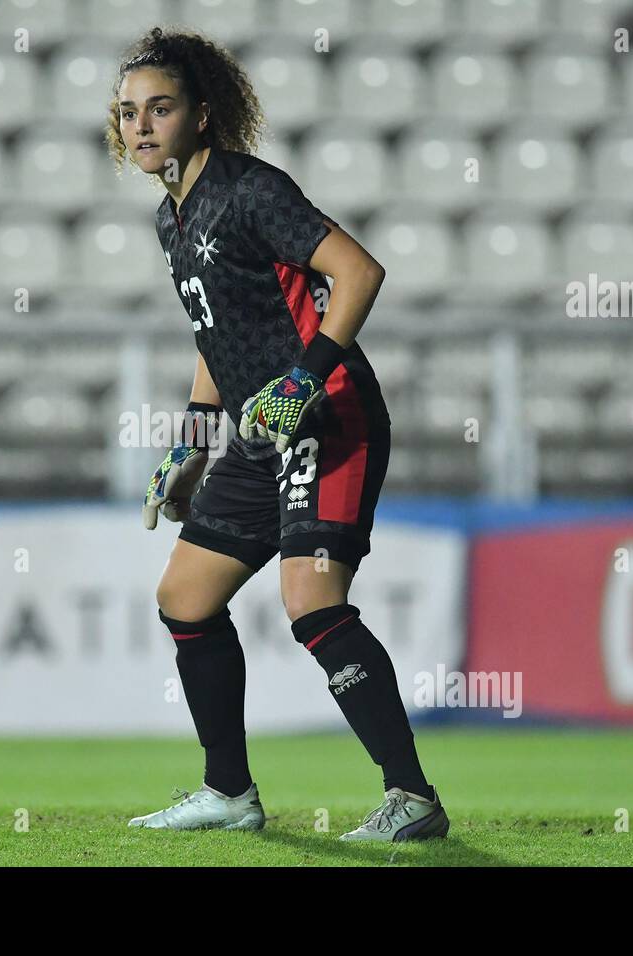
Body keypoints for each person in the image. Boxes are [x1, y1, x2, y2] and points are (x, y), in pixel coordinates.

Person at [106, 27, 447, 842]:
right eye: (127, 113)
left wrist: (304, 378)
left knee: (311, 601)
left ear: (203, 114)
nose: (142, 126)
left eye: (161, 108)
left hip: (329, 419)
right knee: (184, 600)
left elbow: (359, 272)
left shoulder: (252, 190)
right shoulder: (172, 218)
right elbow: (214, 336)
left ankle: (413, 799)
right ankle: (228, 792)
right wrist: (192, 443)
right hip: (263, 433)